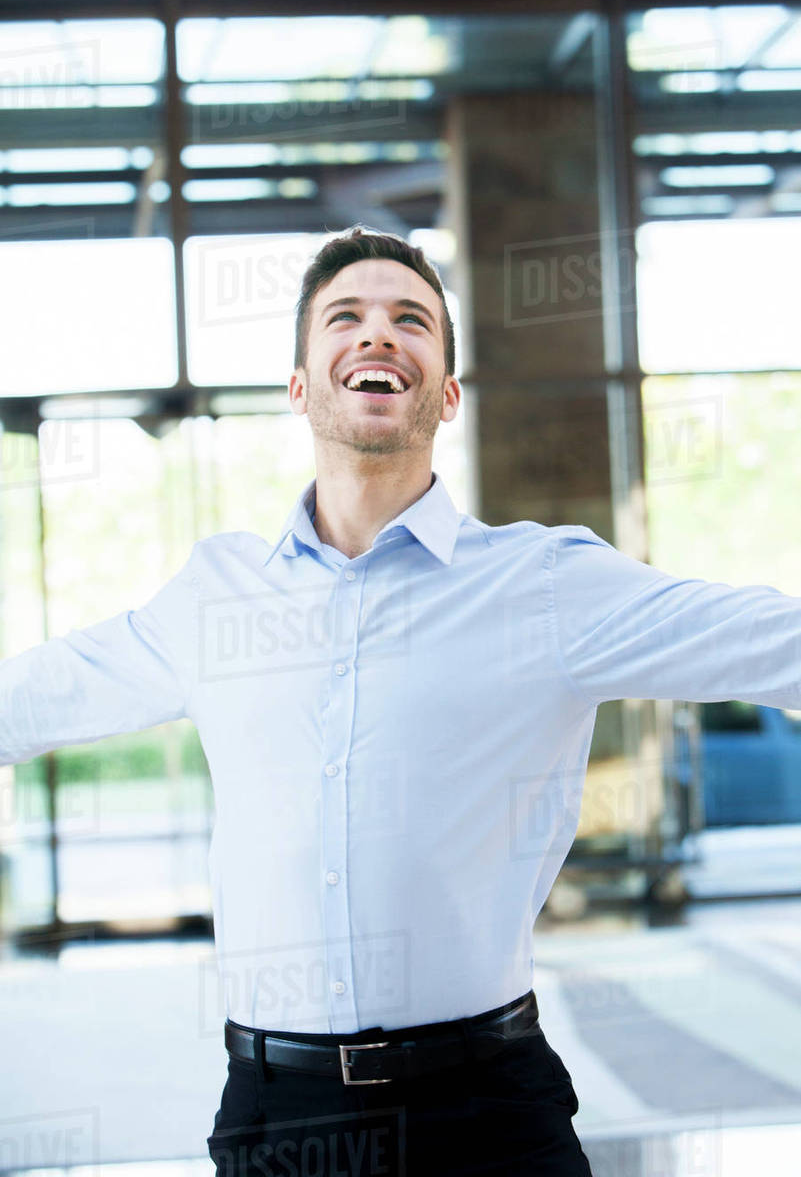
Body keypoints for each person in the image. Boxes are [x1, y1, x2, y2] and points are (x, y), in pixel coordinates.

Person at [2, 226, 800, 1176]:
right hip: (275, 1120)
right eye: (345, 317)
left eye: (410, 321)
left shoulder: (546, 584)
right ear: (300, 386)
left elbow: (773, 643)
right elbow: (40, 696)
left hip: (487, 1115)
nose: (377, 334)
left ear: (447, 392)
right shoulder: (217, 598)